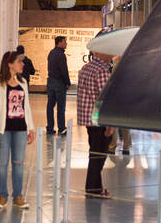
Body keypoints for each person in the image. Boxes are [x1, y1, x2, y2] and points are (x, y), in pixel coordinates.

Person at [0, 50, 35, 209]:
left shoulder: (23, 82)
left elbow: (27, 107)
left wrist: (31, 128)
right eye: (19, 61)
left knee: (18, 163)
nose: (22, 64)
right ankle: (2, 196)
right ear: (9, 64)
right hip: (3, 129)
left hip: (20, 129)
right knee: (2, 164)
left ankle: (18, 196)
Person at [76, 49, 115, 197]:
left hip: (88, 118)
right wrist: (109, 123)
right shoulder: (102, 70)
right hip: (98, 120)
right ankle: (94, 189)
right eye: (109, 51)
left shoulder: (86, 68)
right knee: (98, 156)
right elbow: (105, 98)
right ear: (102, 53)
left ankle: (94, 188)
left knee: (95, 154)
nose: (111, 54)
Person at [45, 36, 71, 135]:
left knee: (50, 106)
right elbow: (63, 70)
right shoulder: (61, 55)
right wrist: (68, 83)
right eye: (65, 41)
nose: (66, 43)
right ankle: (61, 128)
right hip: (59, 83)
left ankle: (50, 128)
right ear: (59, 43)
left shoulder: (51, 53)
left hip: (50, 81)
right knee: (61, 107)